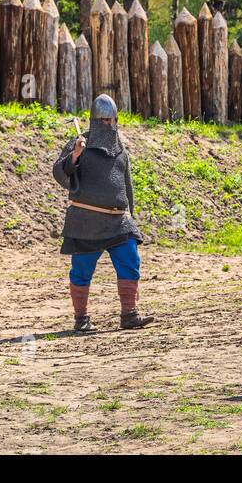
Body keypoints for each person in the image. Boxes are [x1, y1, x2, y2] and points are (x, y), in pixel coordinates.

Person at [53, 93, 153, 332]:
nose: (109, 125)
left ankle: (129, 314)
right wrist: (75, 155)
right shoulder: (80, 144)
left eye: (112, 120)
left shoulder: (121, 151)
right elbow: (59, 172)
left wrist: (131, 213)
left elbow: (127, 186)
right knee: (82, 270)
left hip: (119, 222)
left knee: (130, 260)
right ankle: (81, 319)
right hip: (87, 221)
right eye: (104, 121)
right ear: (95, 121)